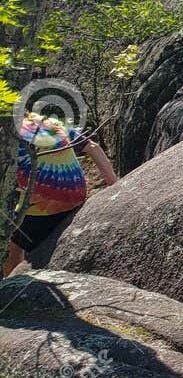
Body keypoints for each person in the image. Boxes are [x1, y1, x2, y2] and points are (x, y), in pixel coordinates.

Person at [3, 112, 118, 276]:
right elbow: (93, 147)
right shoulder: (52, 123)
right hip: (76, 198)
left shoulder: (7, 138)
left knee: (10, 244)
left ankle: (10, 284)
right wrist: (114, 185)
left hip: (42, 212)